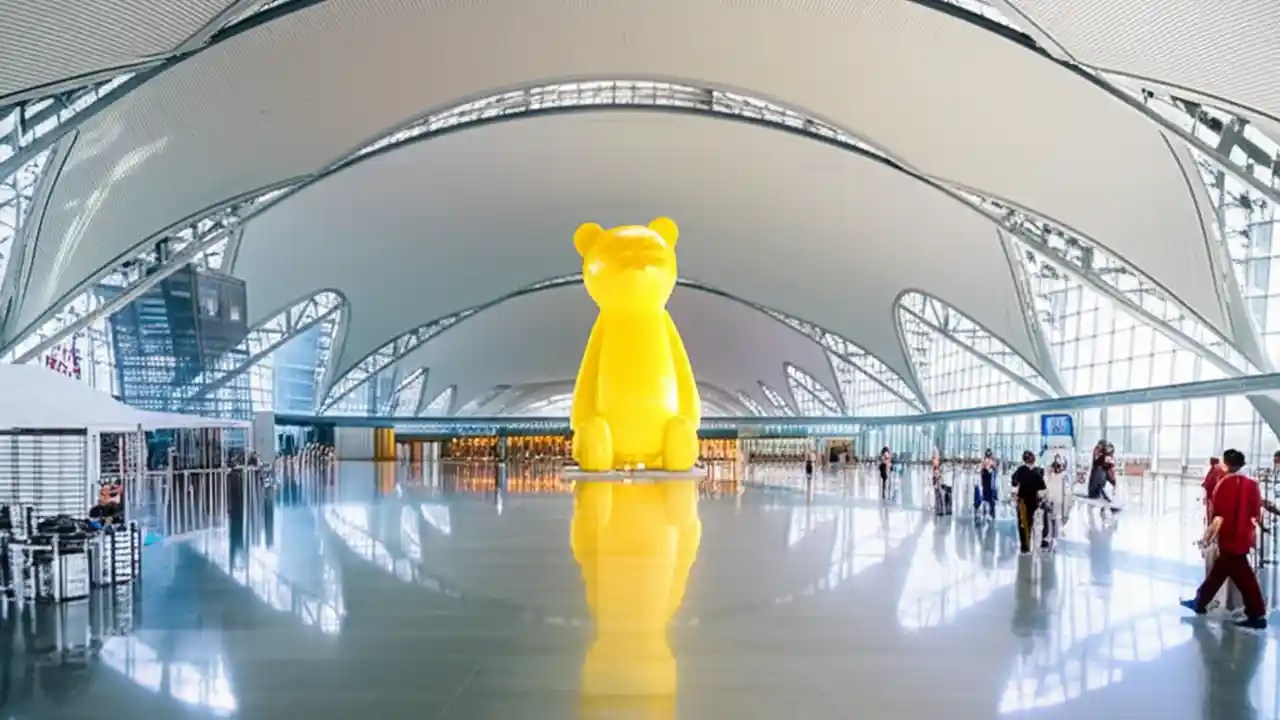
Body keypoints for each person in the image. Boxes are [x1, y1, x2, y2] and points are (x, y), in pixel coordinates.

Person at [1181, 449, 1268, 629]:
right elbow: (1255, 513)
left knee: (1245, 579)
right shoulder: (1252, 485)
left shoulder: (1223, 484)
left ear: (1225, 463)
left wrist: (1207, 538)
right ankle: (1200, 602)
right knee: (1219, 572)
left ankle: (1257, 615)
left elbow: (1218, 516)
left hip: (1228, 538)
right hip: (1243, 536)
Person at [1011, 451, 1046, 553]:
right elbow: (1042, 487)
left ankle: (1025, 545)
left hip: (1024, 501)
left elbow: (1014, 482)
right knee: (1030, 522)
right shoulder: (1037, 471)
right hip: (1032, 501)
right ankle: (1029, 543)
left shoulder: (1021, 470)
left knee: (1023, 523)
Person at [1043, 455, 1068, 547]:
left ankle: (1054, 536)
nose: (1057, 468)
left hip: (1057, 498)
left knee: (1055, 517)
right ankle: (1051, 535)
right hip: (1051, 497)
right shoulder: (1051, 474)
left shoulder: (1062, 476)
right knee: (1050, 517)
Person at [1201, 456, 1226, 524]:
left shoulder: (1214, 469)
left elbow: (1209, 481)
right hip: (1215, 494)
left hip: (1212, 494)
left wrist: (1205, 484)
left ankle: (1211, 524)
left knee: (1211, 511)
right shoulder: (1220, 469)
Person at [977, 449, 997, 519]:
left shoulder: (991, 462)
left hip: (989, 481)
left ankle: (991, 512)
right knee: (986, 496)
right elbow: (981, 471)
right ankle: (987, 511)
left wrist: (989, 467)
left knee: (989, 497)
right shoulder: (985, 461)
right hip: (986, 481)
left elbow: (993, 469)